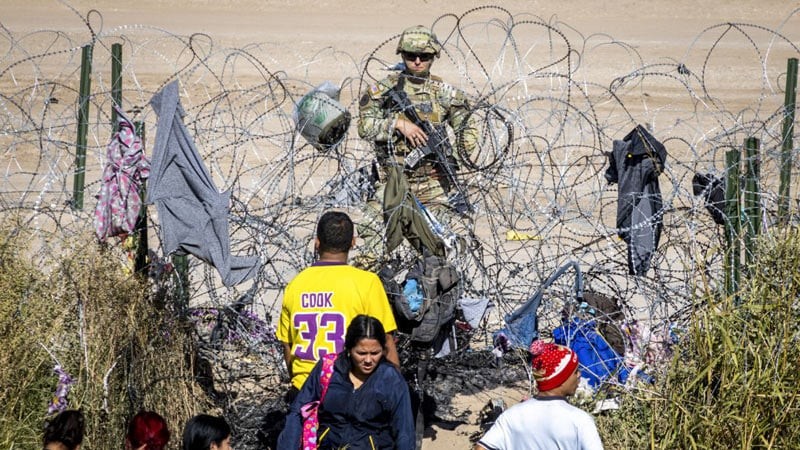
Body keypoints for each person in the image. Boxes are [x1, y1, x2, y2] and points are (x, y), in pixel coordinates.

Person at [357, 25, 478, 263]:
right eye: (411, 56)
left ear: (434, 57)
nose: (418, 61)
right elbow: (364, 127)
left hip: (432, 183)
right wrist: (397, 124)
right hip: (393, 180)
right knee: (373, 241)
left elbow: (468, 132)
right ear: (402, 55)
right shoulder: (383, 91)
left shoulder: (445, 94)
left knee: (435, 252)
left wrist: (449, 158)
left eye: (425, 56)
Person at [276, 211, 399, 401]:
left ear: (317, 243)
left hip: (305, 389)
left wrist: (299, 382)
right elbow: (386, 341)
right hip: (349, 388)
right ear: (353, 243)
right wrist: (396, 389)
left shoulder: (296, 285)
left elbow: (288, 345)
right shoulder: (367, 283)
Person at [277, 315, 414, 450]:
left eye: (375, 353)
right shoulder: (328, 370)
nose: (368, 360)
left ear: (383, 351)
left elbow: (404, 432)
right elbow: (297, 412)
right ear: (349, 349)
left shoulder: (391, 380)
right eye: (361, 353)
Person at [474, 340, 604, 450]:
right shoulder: (579, 420)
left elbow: (482, 447)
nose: (579, 375)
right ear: (560, 378)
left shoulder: (512, 415)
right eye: (575, 371)